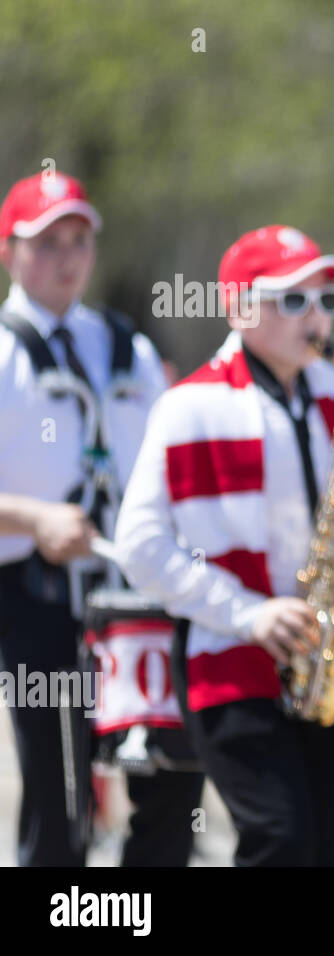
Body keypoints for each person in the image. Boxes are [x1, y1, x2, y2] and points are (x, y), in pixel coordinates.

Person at [115, 225, 334, 865]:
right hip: (230, 660)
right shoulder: (188, 406)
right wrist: (249, 613)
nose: (315, 318)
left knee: (327, 846)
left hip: (329, 665)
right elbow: (140, 545)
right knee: (278, 841)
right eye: (292, 300)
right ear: (237, 307)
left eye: (326, 301)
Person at [0, 170, 202, 866]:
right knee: (60, 790)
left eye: (79, 239)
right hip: (38, 594)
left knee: (170, 773)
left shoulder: (129, 348)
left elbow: (173, 455)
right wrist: (33, 518)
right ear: (10, 252)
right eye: (47, 241)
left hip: (135, 592)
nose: (66, 256)